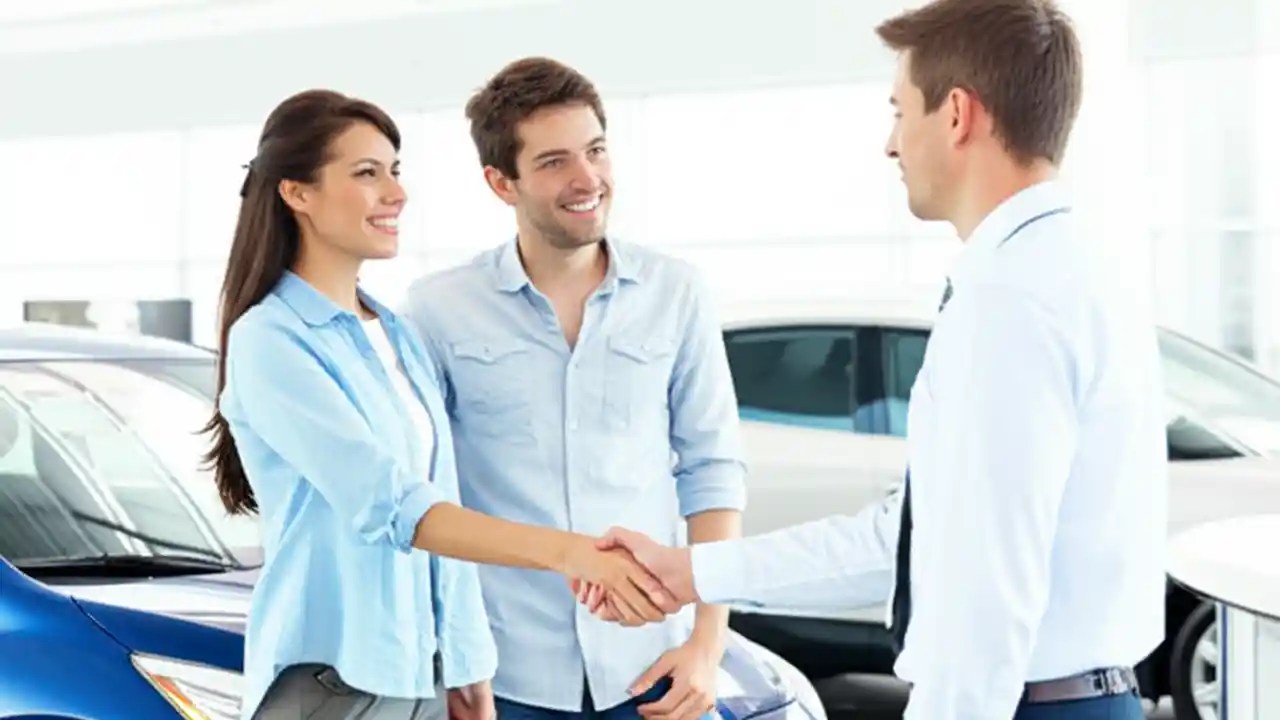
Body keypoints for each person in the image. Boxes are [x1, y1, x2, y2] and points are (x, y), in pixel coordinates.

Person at [581, 1, 1168, 719]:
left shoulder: (1009, 299)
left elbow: (984, 599)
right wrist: (692, 570)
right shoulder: (1077, 267)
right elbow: (915, 537)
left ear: (957, 115)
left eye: (899, 111)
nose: (891, 144)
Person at [201, 89, 676, 720]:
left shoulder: (393, 331)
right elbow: (394, 504)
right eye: (367, 174)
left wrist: (468, 661)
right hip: (331, 679)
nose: (396, 194)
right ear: (298, 193)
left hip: (418, 677)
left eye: (395, 171)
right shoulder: (270, 340)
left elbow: (441, 492)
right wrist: (572, 552)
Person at [400, 58, 746, 720]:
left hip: (651, 670)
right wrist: (446, 655)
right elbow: (424, 496)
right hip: (505, 678)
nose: (588, 179)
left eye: (596, 150)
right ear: (502, 182)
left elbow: (713, 468)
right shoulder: (438, 310)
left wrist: (708, 643)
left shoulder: (678, 292)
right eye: (555, 161)